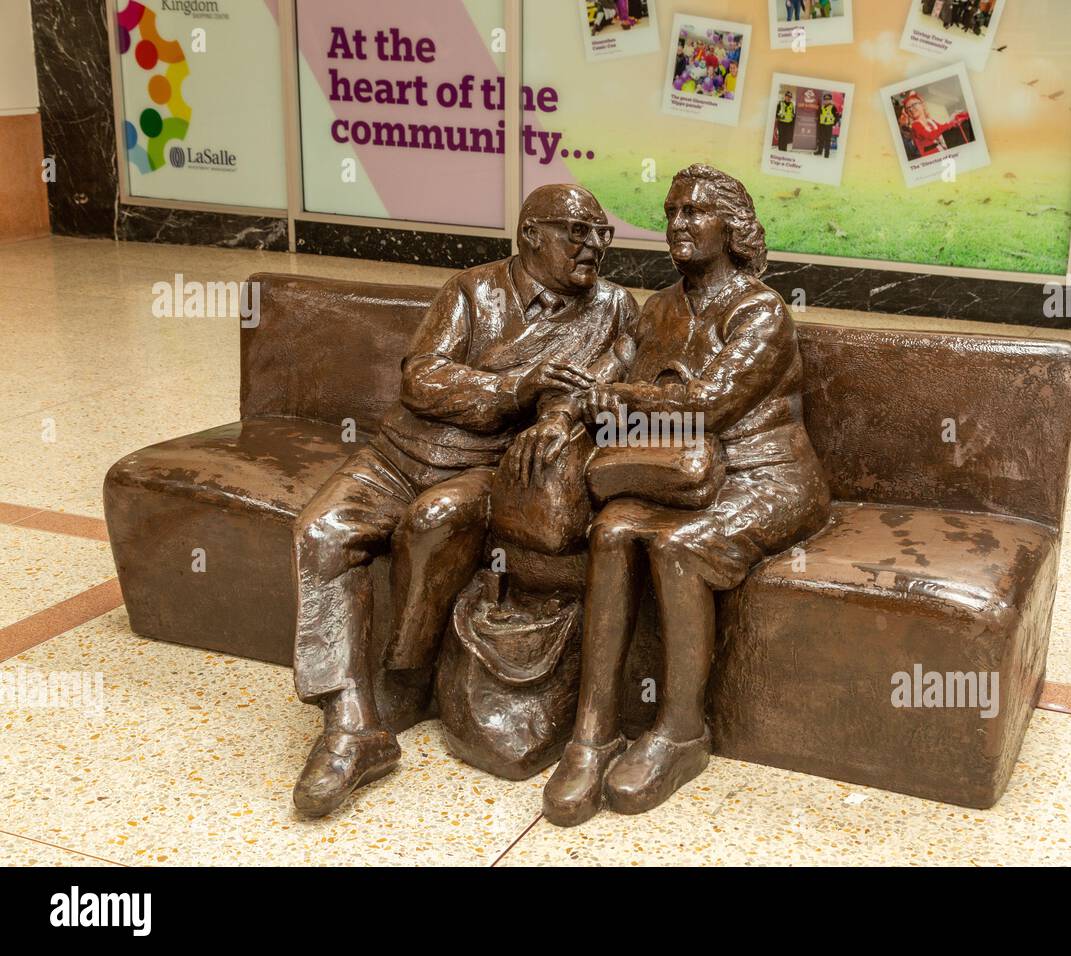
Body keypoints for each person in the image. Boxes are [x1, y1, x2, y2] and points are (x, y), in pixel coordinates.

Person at [292, 185, 637, 817]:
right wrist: (514, 386)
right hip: (395, 456)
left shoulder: (613, 308)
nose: (594, 246)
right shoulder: (473, 290)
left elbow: (605, 387)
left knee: (437, 518)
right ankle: (350, 725)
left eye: (602, 234)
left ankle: (404, 675)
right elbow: (421, 376)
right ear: (530, 234)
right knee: (321, 531)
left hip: (487, 470)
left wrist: (557, 416)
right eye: (576, 232)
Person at [542, 164, 831, 826]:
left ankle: (681, 732)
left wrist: (625, 402)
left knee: (678, 548)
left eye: (695, 212)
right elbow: (605, 377)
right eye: (671, 212)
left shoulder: (762, 313)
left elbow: (708, 403)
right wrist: (566, 415)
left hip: (767, 476)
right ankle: (593, 733)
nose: (677, 224)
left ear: (732, 228)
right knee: (612, 531)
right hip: (682, 473)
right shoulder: (662, 308)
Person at [900, 90, 970, 156]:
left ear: (921, 105)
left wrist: (954, 118)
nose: (911, 109)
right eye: (908, 108)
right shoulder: (915, 125)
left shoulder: (930, 121)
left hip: (941, 151)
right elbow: (931, 136)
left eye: (913, 105)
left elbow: (942, 129)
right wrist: (949, 124)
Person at [815, 91, 841, 159]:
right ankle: (819, 152)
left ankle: (826, 154)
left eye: (828, 99)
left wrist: (833, 123)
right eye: (825, 99)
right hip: (822, 125)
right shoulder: (822, 107)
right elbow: (819, 115)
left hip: (828, 126)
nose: (826, 101)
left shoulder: (833, 107)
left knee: (827, 140)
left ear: (830, 100)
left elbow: (837, 116)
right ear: (824, 100)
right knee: (820, 139)